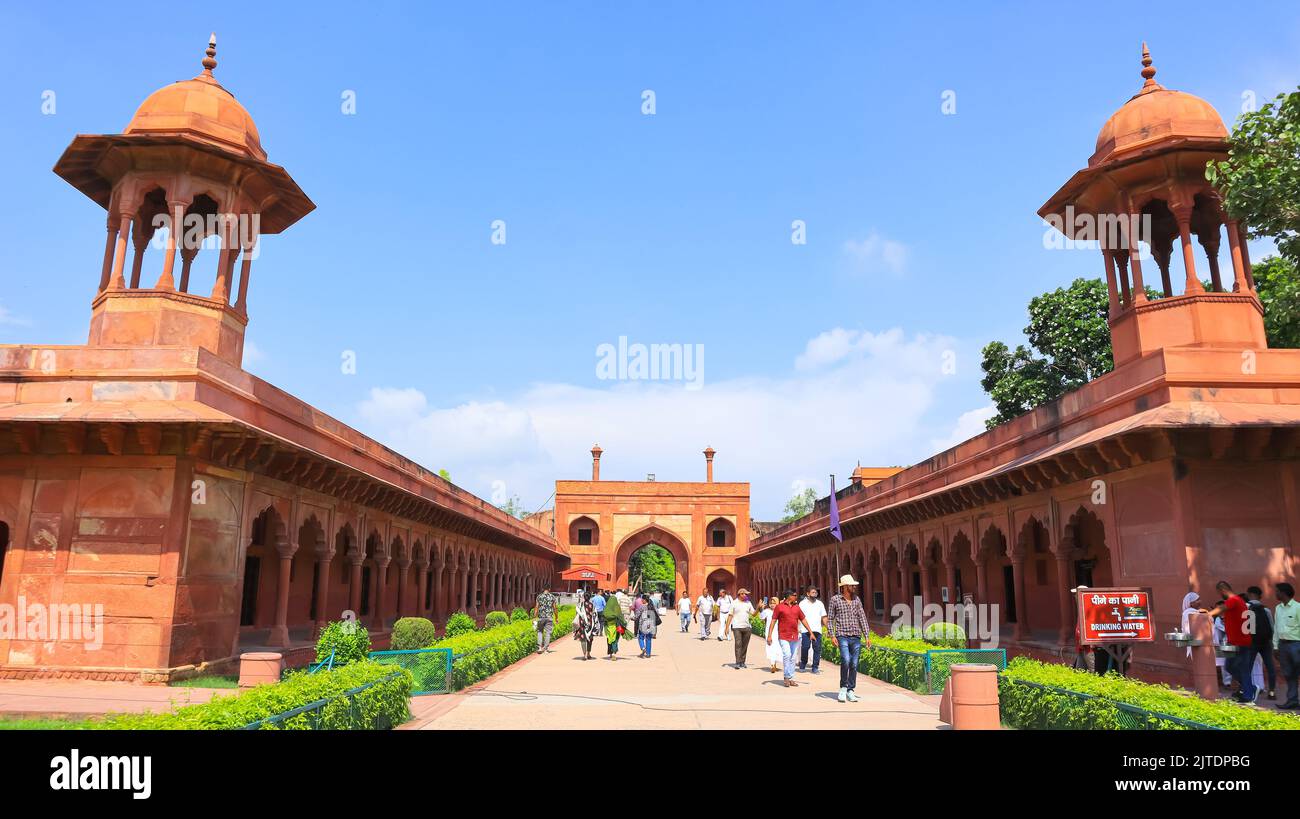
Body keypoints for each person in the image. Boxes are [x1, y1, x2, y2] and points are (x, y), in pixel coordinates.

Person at [1201, 581, 1256, 702]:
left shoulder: (1233, 600)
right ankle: (1249, 688)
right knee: (1230, 666)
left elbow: (1221, 608)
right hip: (1236, 641)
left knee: (1240, 668)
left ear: (1223, 590)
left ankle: (1248, 694)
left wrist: (1208, 614)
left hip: (1241, 642)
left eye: (1219, 593)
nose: (1220, 595)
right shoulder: (1237, 601)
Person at [827, 574, 872, 703]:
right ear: (845, 586)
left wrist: (867, 636)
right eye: (852, 585)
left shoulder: (856, 600)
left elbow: (862, 617)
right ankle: (843, 688)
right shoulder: (835, 600)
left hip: (856, 635)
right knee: (846, 660)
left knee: (854, 663)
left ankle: (850, 690)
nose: (854, 587)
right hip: (842, 635)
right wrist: (832, 635)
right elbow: (830, 619)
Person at [767, 588, 816, 687]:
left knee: (793, 658)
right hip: (783, 635)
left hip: (794, 636)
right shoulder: (779, 607)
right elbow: (773, 621)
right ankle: (786, 677)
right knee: (787, 655)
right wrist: (769, 635)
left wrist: (811, 632)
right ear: (789, 596)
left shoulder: (797, 607)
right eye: (794, 595)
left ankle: (791, 678)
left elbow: (803, 620)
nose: (796, 597)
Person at [1246, 586, 1277, 699]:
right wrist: (1272, 642)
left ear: (1249, 594)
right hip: (1266, 642)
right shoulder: (1266, 610)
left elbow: (1245, 629)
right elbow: (1272, 627)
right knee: (1270, 667)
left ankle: (1248, 690)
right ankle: (1272, 692)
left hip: (1252, 642)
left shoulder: (1246, 608)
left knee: (1247, 667)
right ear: (1260, 596)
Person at [1274, 582, 1300, 710]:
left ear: (1283, 593)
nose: (1275, 593)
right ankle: (1292, 700)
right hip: (1283, 645)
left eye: (1277, 591)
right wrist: (1275, 646)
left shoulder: (1297, 607)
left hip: (1297, 645)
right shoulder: (1278, 608)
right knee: (1289, 674)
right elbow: (1276, 628)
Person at [798, 586, 828, 674]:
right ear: (808, 594)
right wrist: (798, 627)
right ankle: (803, 664)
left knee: (817, 649)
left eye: (816, 593)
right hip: (805, 630)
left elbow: (824, 617)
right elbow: (799, 617)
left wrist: (829, 628)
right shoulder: (802, 604)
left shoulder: (820, 604)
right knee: (805, 647)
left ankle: (815, 667)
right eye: (813, 592)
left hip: (817, 629)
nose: (815, 594)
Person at [724, 589, 756, 668]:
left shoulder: (748, 603)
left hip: (747, 627)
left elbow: (754, 614)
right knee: (738, 644)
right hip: (737, 627)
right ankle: (738, 662)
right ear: (740, 594)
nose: (746, 596)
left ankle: (742, 661)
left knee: (745, 645)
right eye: (745, 594)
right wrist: (727, 627)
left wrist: (758, 607)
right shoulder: (734, 603)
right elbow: (730, 615)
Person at [574, 590, 602, 660]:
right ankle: (588, 653)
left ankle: (584, 655)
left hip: (582, 624)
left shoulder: (580, 605)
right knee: (590, 639)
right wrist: (596, 625)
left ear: (583, 597)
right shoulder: (592, 605)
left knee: (583, 639)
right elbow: (595, 615)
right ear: (590, 597)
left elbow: (577, 614)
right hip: (590, 624)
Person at [533, 583, 558, 655]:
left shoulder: (539, 597)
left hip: (541, 617)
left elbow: (536, 607)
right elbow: (554, 608)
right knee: (548, 633)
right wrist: (556, 617)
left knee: (540, 631)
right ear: (549, 589)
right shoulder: (552, 597)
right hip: (549, 617)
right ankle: (546, 648)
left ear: (543, 588)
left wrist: (534, 617)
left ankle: (539, 647)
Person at [760, 596, 783, 673]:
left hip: (778, 632)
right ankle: (772, 665)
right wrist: (762, 609)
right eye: (771, 603)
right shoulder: (767, 611)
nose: (772, 605)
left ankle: (775, 665)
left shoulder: (780, 611)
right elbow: (761, 617)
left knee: (777, 648)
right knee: (771, 647)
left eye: (774, 603)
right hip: (770, 632)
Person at [603, 590, 626, 660]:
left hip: (608, 627)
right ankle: (614, 653)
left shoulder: (607, 608)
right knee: (615, 640)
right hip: (616, 627)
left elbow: (604, 617)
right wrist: (624, 624)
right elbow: (621, 617)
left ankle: (610, 653)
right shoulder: (617, 607)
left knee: (609, 640)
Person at [637, 593, 658, 657]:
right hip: (651, 625)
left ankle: (643, 648)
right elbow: (657, 613)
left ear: (644, 600)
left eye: (642, 599)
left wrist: (633, 618)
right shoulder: (652, 606)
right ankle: (648, 654)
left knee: (640, 637)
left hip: (643, 625)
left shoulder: (642, 606)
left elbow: (637, 614)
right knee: (648, 639)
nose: (641, 601)